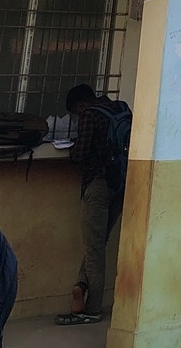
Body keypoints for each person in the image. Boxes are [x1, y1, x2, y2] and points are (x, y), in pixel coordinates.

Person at [59, 83, 129, 325]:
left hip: (98, 185)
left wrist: (72, 148)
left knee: (94, 247)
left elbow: (79, 155)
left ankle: (92, 308)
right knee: (97, 243)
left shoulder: (90, 116)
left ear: (80, 105)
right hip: (121, 184)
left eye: (75, 113)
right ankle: (81, 285)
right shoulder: (120, 109)